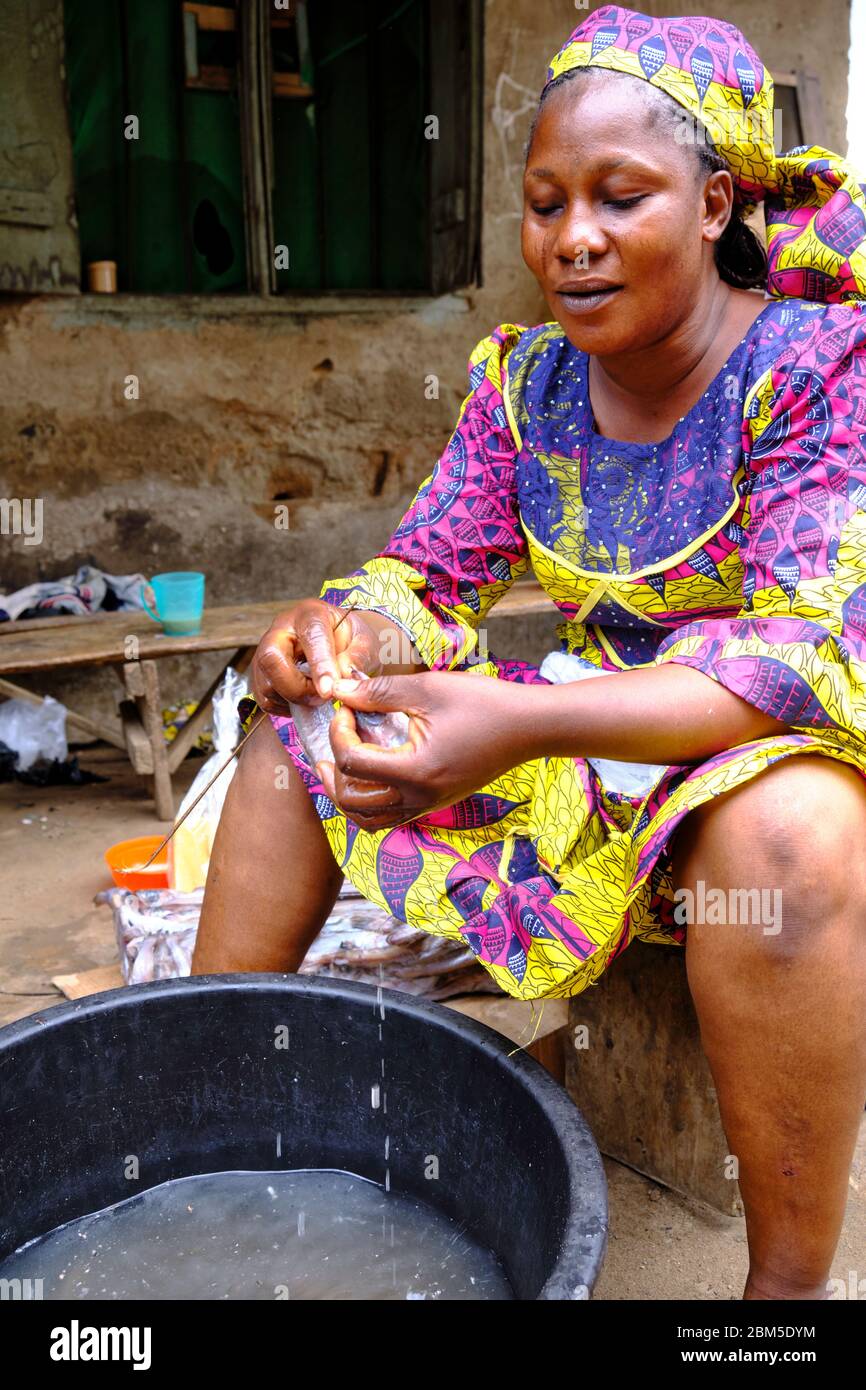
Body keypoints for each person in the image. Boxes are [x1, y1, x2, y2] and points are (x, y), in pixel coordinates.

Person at [194, 8, 866, 1300]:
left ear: (716, 199)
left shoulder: (811, 367)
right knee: (298, 738)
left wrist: (519, 723)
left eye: (620, 198)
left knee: (789, 835)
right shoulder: (530, 389)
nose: (572, 239)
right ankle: (209, 1129)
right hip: (590, 764)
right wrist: (342, 634)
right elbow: (424, 577)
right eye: (543, 202)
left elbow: (803, 662)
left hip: (758, 758)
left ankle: (782, 1296)